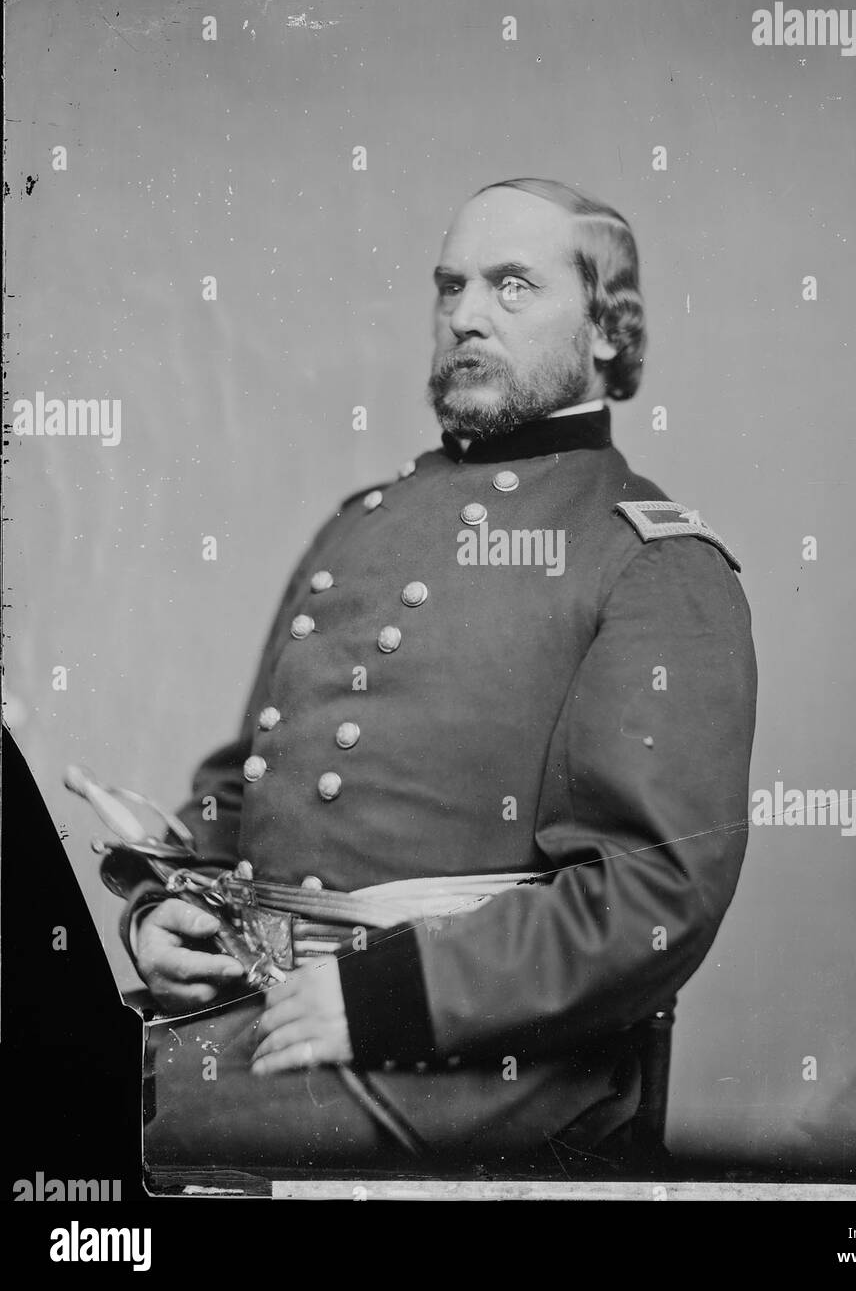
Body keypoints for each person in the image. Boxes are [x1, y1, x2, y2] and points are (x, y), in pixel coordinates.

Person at [126, 177, 757, 1175]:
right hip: (264, 1002)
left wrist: (380, 1001)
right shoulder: (362, 521)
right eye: (449, 285)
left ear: (604, 325)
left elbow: (654, 892)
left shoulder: (652, 561)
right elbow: (242, 783)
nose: (464, 315)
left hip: (472, 1064)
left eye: (511, 286)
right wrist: (167, 909)